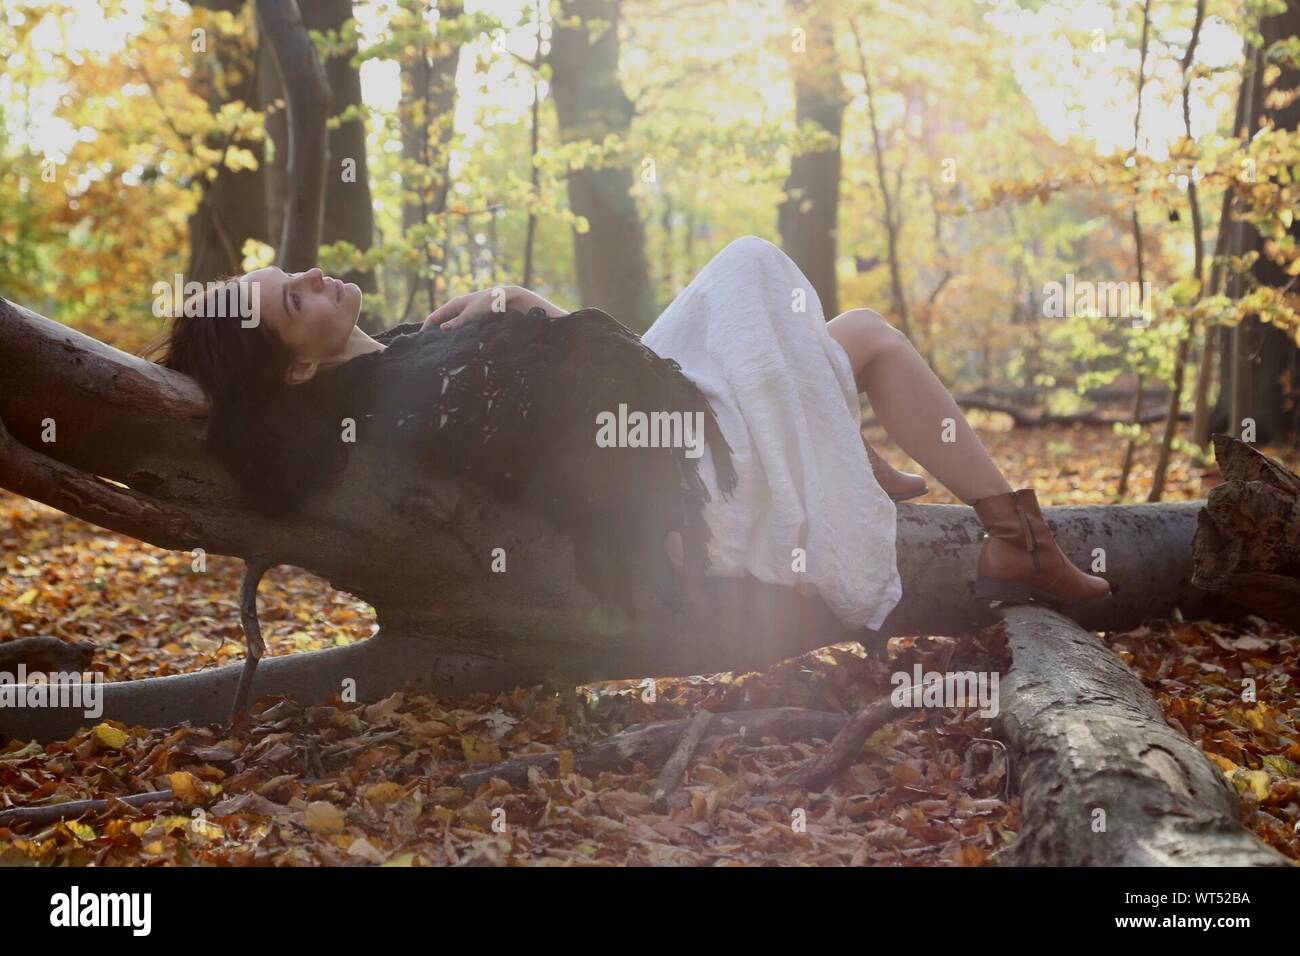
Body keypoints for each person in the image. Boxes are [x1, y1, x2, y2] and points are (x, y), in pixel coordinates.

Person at [160, 236, 1109, 634]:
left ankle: (992, 523)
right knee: (766, 276)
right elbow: (583, 420)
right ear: (295, 366)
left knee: (854, 333)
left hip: (662, 421)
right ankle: (1014, 536)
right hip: (684, 472)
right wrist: (529, 310)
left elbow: (572, 387)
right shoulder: (416, 387)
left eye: (293, 270)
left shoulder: (413, 356)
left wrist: (516, 303)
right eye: (296, 297)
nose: (316, 273)